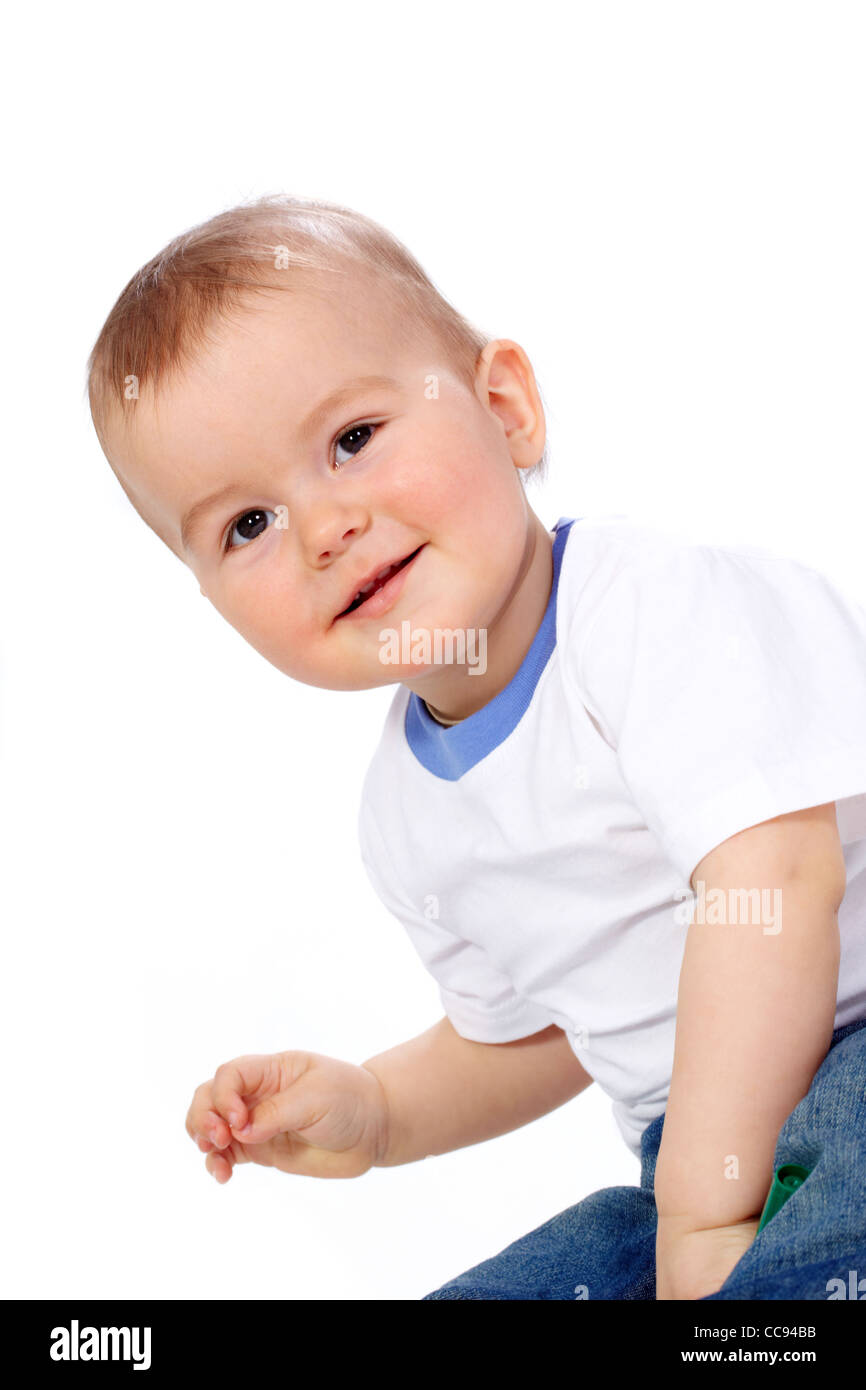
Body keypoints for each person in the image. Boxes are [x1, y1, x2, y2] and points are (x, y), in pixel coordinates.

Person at [86, 194, 866, 1300]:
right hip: (689, 1159)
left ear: (503, 408)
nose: (321, 528)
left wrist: (708, 1202)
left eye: (352, 440)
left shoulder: (644, 610)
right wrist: (378, 1109)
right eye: (244, 524)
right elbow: (550, 1027)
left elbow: (774, 878)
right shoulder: (405, 817)